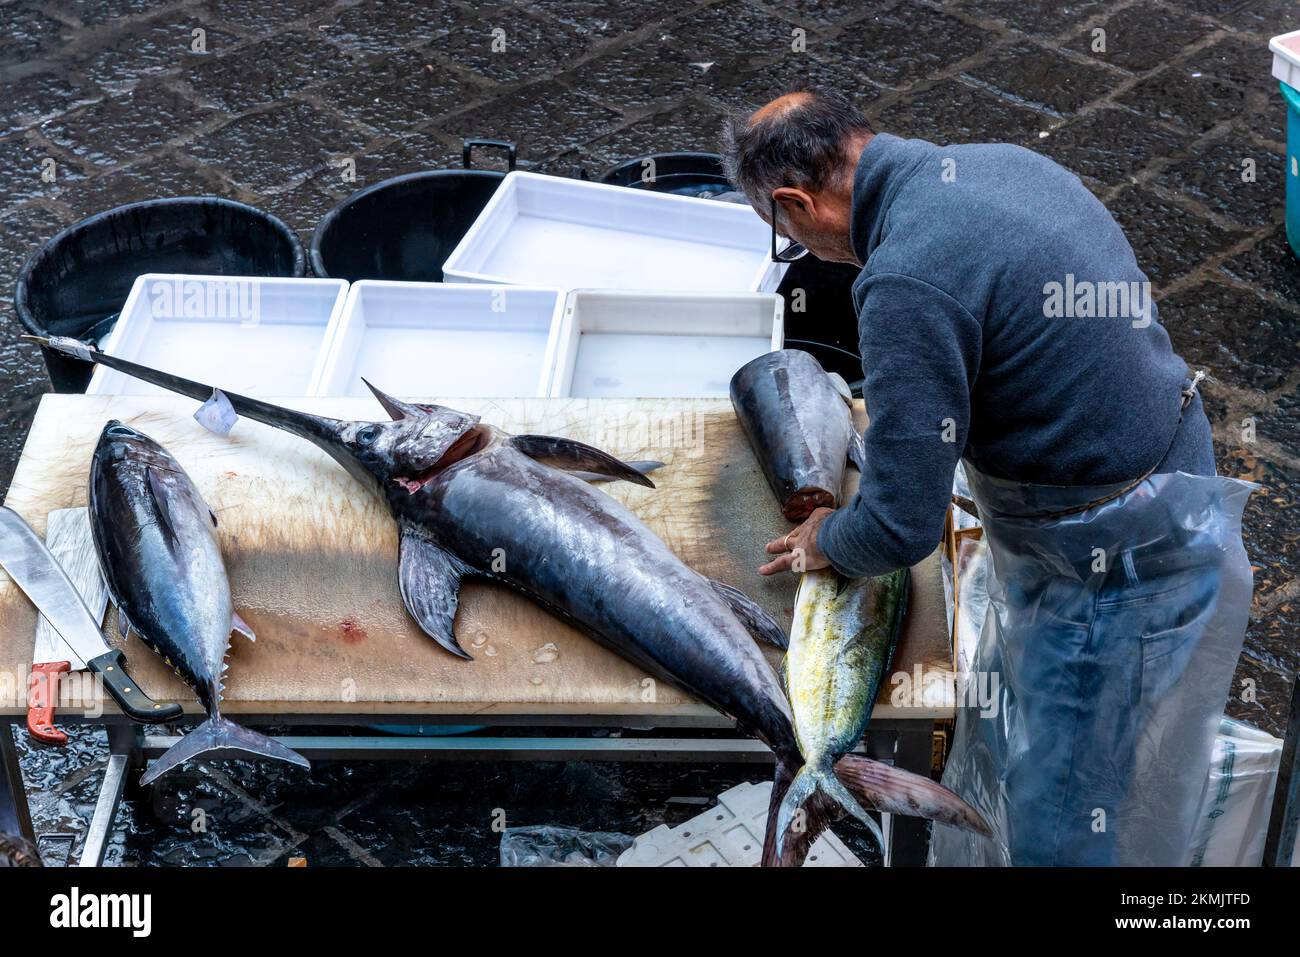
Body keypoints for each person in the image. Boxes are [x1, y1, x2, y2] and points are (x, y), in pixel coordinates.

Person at [722, 90, 1255, 866]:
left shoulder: (903, 281)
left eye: (783, 231)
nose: (796, 246)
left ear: (795, 202)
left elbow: (899, 528)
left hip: (1107, 560)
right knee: (1124, 744)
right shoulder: (1004, 164)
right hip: (1175, 477)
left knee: (1063, 812)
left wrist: (827, 537)